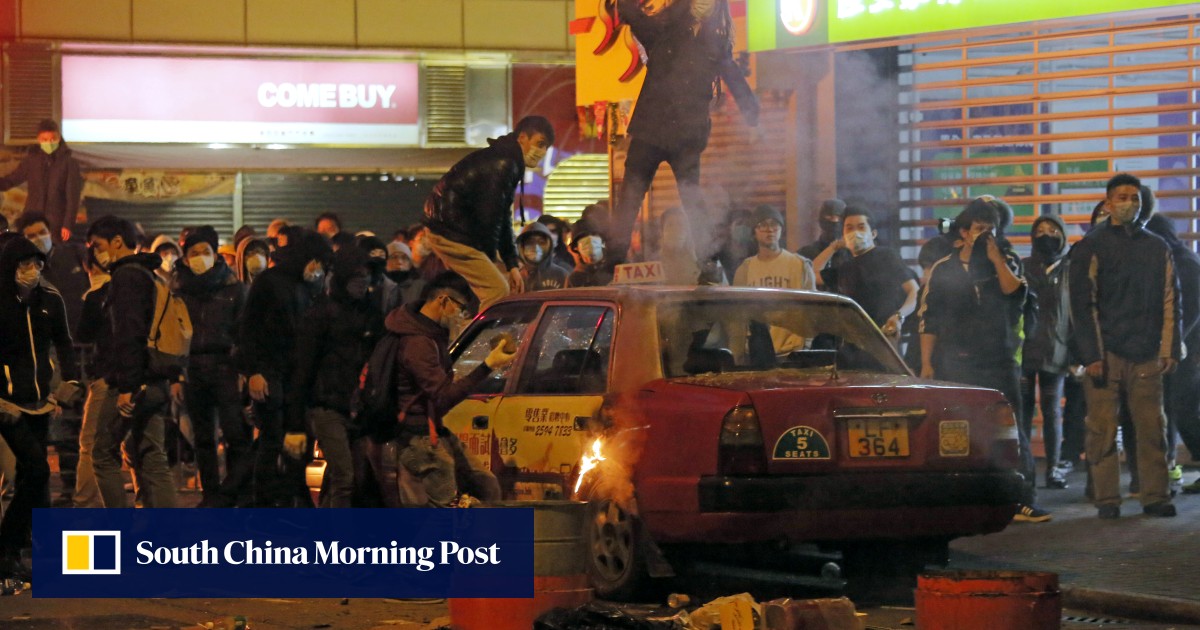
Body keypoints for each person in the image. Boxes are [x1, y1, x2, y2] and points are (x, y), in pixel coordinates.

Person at [918, 202, 1049, 523]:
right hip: (956, 362)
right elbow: (929, 319)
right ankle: (965, 499)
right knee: (960, 430)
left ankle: (1020, 499)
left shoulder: (1007, 260)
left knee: (1012, 429)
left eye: (991, 229)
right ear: (963, 232)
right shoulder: (944, 267)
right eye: (979, 229)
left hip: (1000, 359)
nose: (986, 235)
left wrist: (994, 259)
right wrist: (926, 364)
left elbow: (1014, 293)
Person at [609, 0, 759, 261]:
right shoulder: (662, 30)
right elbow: (631, 13)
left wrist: (753, 117)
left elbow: (733, 76)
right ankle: (611, 265)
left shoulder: (716, 42)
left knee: (693, 201)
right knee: (629, 200)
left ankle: (707, 261)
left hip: (686, 136)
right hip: (650, 131)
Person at [1070, 174, 1180, 518]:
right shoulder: (1091, 245)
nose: (1129, 202)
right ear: (1107, 203)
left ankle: (1155, 497)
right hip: (1107, 354)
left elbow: (1171, 299)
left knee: (1152, 430)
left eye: (1134, 197)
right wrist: (1091, 355)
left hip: (1146, 353)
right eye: (1122, 196)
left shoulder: (1157, 246)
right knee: (1102, 431)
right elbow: (1081, 305)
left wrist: (1169, 349)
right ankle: (1107, 500)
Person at [372, 272, 516, 507]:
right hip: (417, 435)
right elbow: (443, 396)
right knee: (445, 502)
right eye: (460, 309)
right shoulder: (417, 343)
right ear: (443, 301)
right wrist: (488, 365)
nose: (462, 316)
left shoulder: (430, 334)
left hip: (433, 429)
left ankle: (484, 538)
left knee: (484, 482)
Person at [86, 215, 179, 509]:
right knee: (152, 456)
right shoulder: (149, 274)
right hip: (154, 378)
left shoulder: (126, 277)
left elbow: (128, 334)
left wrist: (127, 385)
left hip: (131, 383)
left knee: (103, 453)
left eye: (99, 245)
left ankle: (120, 531)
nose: (97, 253)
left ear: (117, 241)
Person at [0, 236, 79, 580]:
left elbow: (64, 342)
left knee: (35, 478)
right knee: (37, 471)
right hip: (8, 403)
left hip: (40, 402)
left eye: (36, 264)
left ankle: (26, 549)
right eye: (24, 265)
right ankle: (7, 547)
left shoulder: (50, 300)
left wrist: (68, 385)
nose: (31, 271)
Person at [238, 229, 331, 507]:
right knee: (272, 442)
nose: (319, 270)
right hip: (270, 375)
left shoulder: (311, 285)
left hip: (299, 380)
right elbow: (248, 329)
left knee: (299, 443)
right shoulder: (269, 282)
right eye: (318, 263)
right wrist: (253, 371)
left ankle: (294, 500)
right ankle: (264, 504)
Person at [422, 115, 554, 308]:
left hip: (448, 229)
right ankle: (485, 338)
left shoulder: (505, 159)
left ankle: (472, 331)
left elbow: (502, 216)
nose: (541, 152)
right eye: (540, 143)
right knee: (497, 291)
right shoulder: (504, 163)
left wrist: (511, 264)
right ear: (523, 137)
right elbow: (490, 218)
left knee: (493, 288)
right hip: (450, 232)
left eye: (546, 147)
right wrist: (494, 262)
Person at [290, 246, 384, 507]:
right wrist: (296, 419)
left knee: (350, 476)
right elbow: (304, 367)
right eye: (356, 275)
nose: (362, 281)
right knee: (345, 475)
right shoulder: (321, 314)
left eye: (366, 274)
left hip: (357, 406)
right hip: (327, 405)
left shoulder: (371, 314)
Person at [173, 226, 251, 507]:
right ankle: (211, 495)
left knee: (236, 435)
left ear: (216, 254)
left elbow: (244, 332)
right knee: (203, 440)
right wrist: (176, 376)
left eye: (205, 251)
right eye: (194, 253)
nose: (200, 257)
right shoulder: (179, 290)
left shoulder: (234, 289)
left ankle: (233, 492)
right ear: (184, 258)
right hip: (193, 369)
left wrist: (242, 369)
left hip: (225, 368)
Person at [1020, 214, 1072, 490]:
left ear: (1062, 235)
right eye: (1039, 231)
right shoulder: (1023, 266)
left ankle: (1054, 468)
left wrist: (1077, 353)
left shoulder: (1070, 269)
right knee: (1024, 411)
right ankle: (1025, 468)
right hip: (1026, 348)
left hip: (1057, 348)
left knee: (1052, 411)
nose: (1046, 235)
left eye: (1052, 230)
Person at [811, 206, 917, 340]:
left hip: (883, 338)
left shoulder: (886, 256)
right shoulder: (845, 268)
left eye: (861, 227)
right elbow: (811, 275)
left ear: (873, 234)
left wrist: (899, 316)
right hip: (852, 342)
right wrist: (834, 247)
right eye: (849, 228)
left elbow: (914, 291)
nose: (855, 232)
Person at [0, 119, 83, 243]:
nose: (49, 143)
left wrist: (67, 224)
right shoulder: (31, 161)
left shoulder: (69, 164)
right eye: (44, 139)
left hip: (56, 222)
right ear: (39, 139)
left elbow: (72, 197)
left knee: (53, 253)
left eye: (52, 139)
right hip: (31, 218)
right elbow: (12, 180)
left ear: (59, 138)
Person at [72, 247, 111, 508]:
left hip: (106, 377)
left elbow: (83, 333)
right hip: (137, 376)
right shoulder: (143, 286)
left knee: (90, 443)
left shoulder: (95, 296)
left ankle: (86, 504)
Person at [732, 205, 815, 291]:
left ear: (781, 229)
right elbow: (739, 303)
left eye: (774, 224)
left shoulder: (800, 265)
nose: (770, 230)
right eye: (763, 225)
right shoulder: (745, 269)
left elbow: (812, 302)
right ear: (754, 232)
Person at [654, 207, 725, 286]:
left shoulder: (699, 264)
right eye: (670, 225)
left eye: (681, 225)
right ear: (662, 231)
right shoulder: (653, 263)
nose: (676, 230)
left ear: (688, 232)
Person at [799, 200, 852, 289]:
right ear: (821, 220)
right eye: (830, 217)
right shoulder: (806, 253)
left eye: (839, 218)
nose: (835, 221)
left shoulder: (852, 254)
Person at [516, 222, 570, 292]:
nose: (535, 247)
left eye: (541, 242)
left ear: (549, 246)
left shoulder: (562, 276)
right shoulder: (517, 277)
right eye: (530, 242)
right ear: (522, 247)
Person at [566, 220, 614, 288]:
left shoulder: (615, 269)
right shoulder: (575, 278)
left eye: (595, 242)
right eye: (585, 244)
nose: (591, 247)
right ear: (576, 248)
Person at [385, 240, 427, 308]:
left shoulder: (420, 287)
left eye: (404, 258)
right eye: (394, 257)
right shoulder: (381, 285)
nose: (399, 261)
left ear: (410, 263)